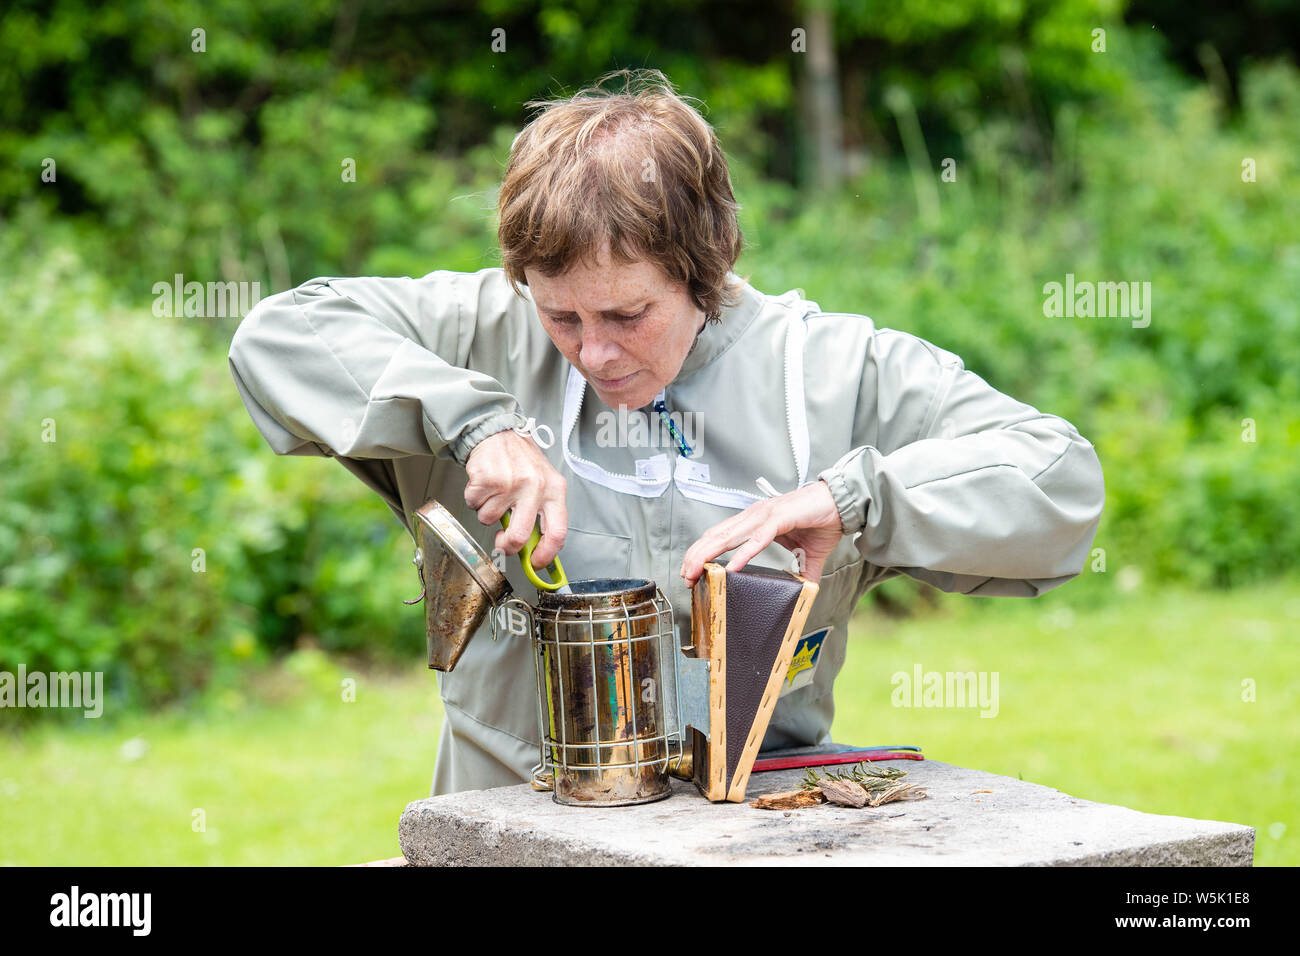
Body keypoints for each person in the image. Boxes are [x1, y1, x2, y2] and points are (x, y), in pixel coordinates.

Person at [227, 69, 1104, 796]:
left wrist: (853, 497)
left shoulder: (832, 374)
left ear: (708, 263)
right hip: (499, 827)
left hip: (756, 826)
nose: (593, 354)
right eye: (561, 316)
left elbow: (1059, 481)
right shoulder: (481, 333)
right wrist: (476, 423)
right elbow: (276, 336)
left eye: (627, 313)